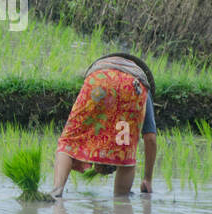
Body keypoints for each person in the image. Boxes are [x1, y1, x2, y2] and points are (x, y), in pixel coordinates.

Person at [51, 52, 158, 198]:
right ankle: (121, 201)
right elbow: (150, 138)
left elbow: (97, 135)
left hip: (98, 80)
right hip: (132, 88)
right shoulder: (143, 85)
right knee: (125, 150)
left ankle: (57, 189)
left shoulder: (101, 69)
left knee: (70, 140)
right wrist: (147, 179)